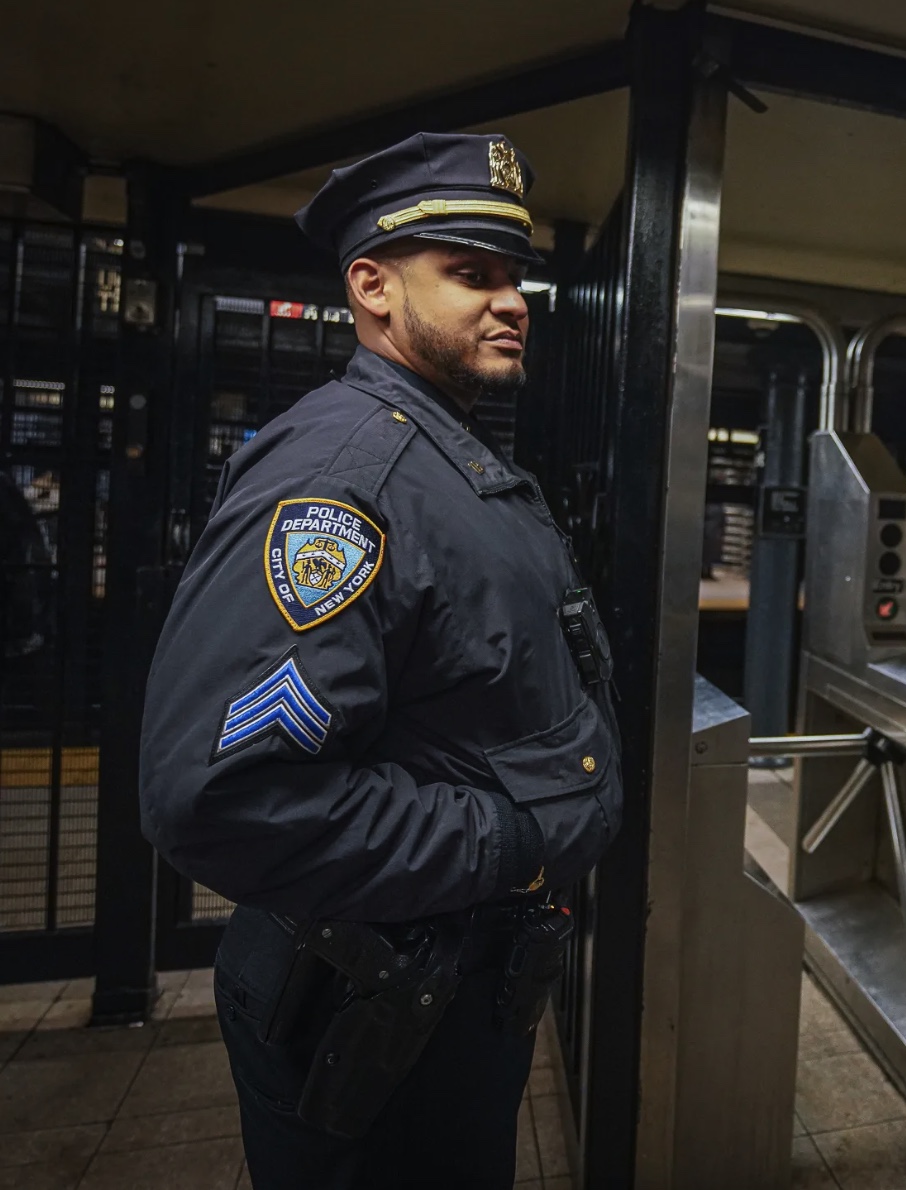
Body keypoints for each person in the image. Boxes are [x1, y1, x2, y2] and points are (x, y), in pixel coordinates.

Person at [139, 132, 621, 1190]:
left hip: (442, 991)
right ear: (372, 288)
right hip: (379, 1005)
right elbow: (224, 796)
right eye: (470, 274)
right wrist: (512, 837)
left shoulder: (449, 453)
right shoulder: (345, 482)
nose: (510, 301)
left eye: (513, 276)